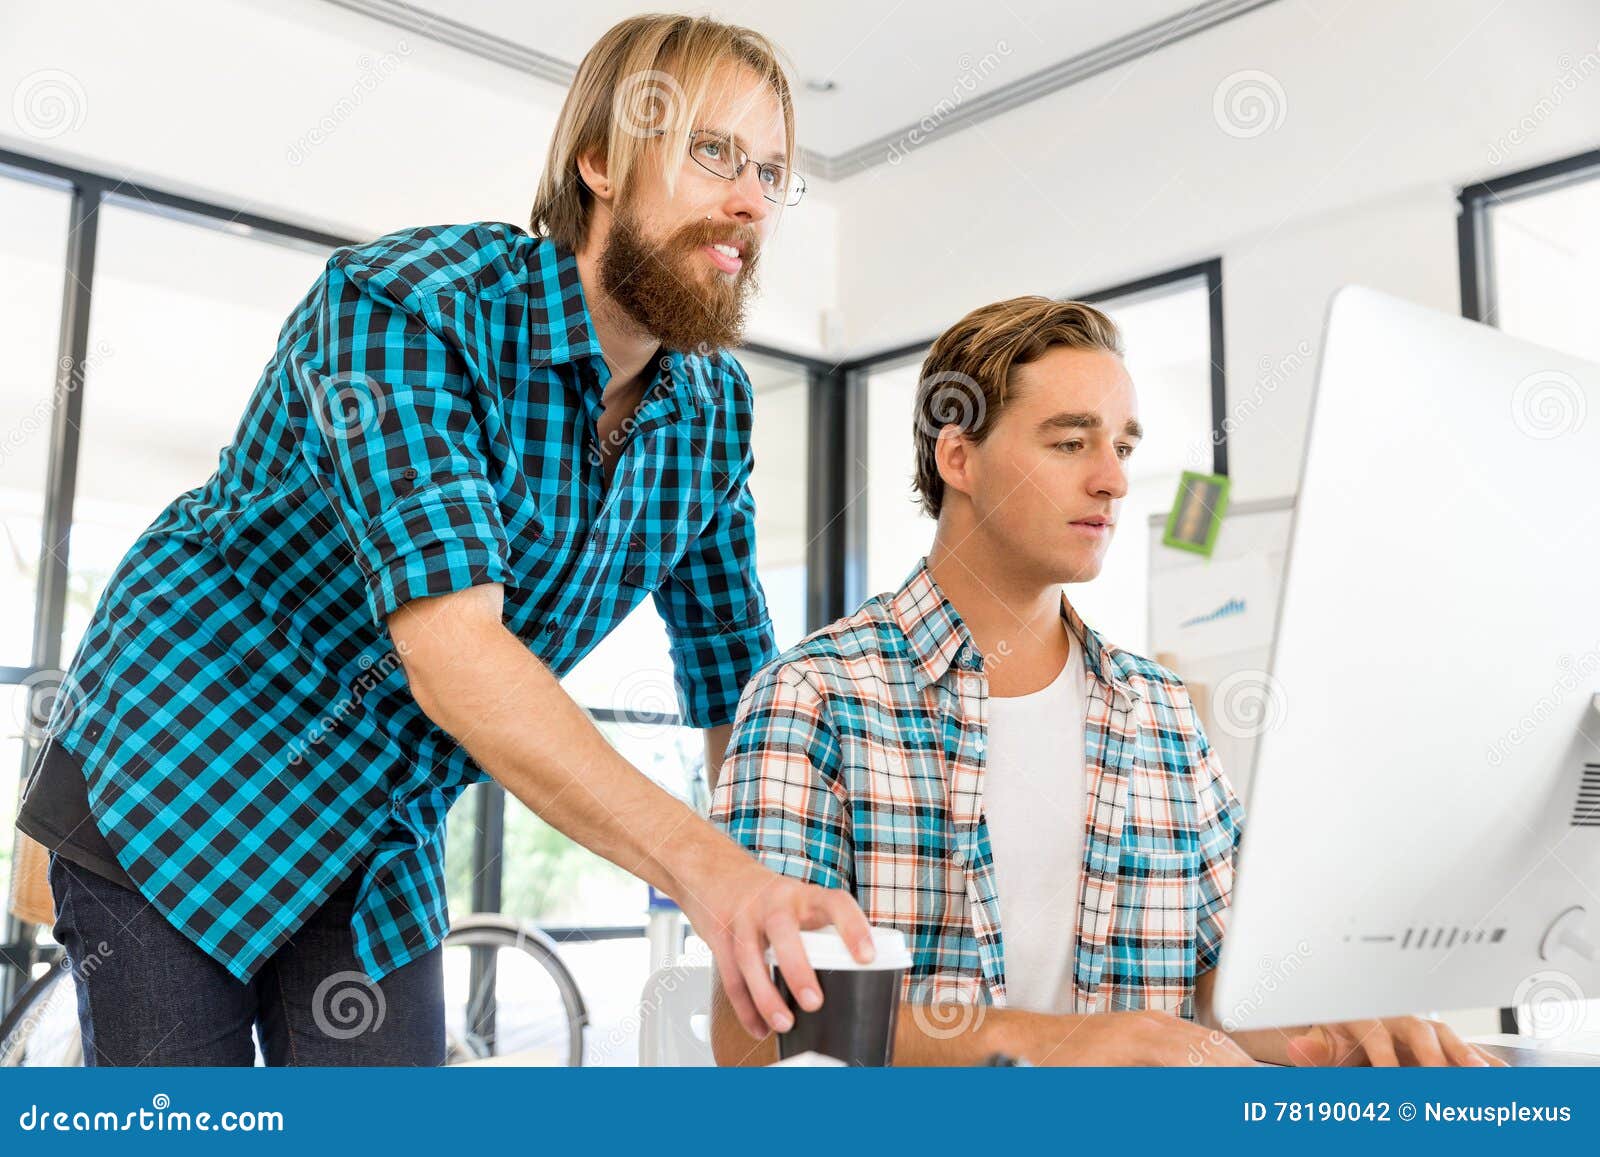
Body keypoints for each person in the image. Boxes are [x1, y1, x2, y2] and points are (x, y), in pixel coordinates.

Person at [15, 13, 871, 1067]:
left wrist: (773, 900)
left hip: (374, 826)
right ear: (599, 159)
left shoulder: (710, 415)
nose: (750, 199)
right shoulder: (408, 309)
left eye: (773, 172)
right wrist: (709, 870)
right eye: (714, 152)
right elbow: (456, 654)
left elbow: (738, 687)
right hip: (182, 767)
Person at [709, 295, 1504, 1067]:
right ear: (959, 457)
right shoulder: (812, 698)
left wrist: (1351, 1037)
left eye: (1122, 447)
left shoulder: (1156, 709)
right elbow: (758, 1038)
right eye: (1069, 444)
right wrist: (1061, 1046)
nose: (1113, 482)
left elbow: (1231, 982)